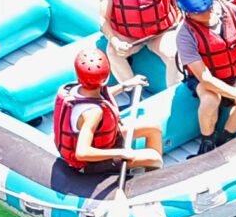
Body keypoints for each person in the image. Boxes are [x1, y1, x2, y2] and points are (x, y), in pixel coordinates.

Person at [173, 0, 236, 144]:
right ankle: (207, 141)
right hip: (206, 77)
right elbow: (205, 79)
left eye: (208, 9)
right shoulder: (185, 35)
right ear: (187, 12)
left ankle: (224, 137)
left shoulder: (228, 9)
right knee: (210, 101)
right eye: (199, 13)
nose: (207, 15)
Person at [53, 46, 164, 174]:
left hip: (105, 142)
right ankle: (152, 179)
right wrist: (121, 153)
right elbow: (82, 153)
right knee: (153, 157)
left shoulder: (76, 89)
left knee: (153, 127)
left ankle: (145, 170)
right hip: (90, 164)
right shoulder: (93, 113)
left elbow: (100, 95)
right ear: (106, 77)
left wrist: (125, 85)